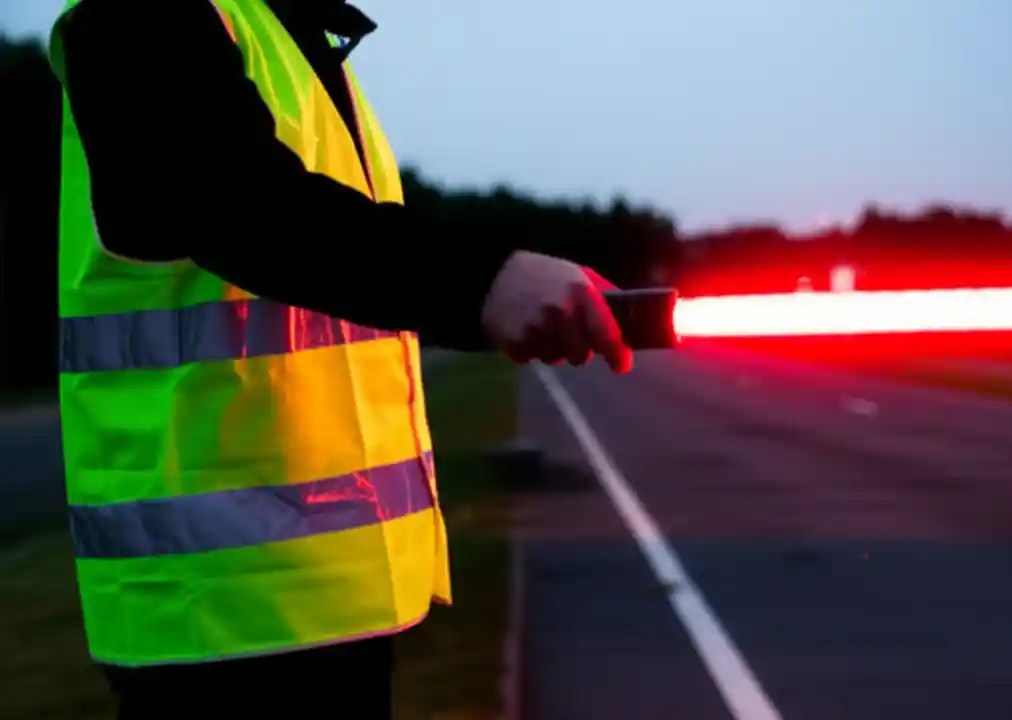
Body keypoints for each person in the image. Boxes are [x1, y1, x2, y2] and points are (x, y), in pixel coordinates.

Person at [47, 0, 633, 716]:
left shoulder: (292, 38)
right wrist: (481, 281)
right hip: (218, 618)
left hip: (313, 602)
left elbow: (327, 254)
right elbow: (235, 205)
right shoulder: (144, 17)